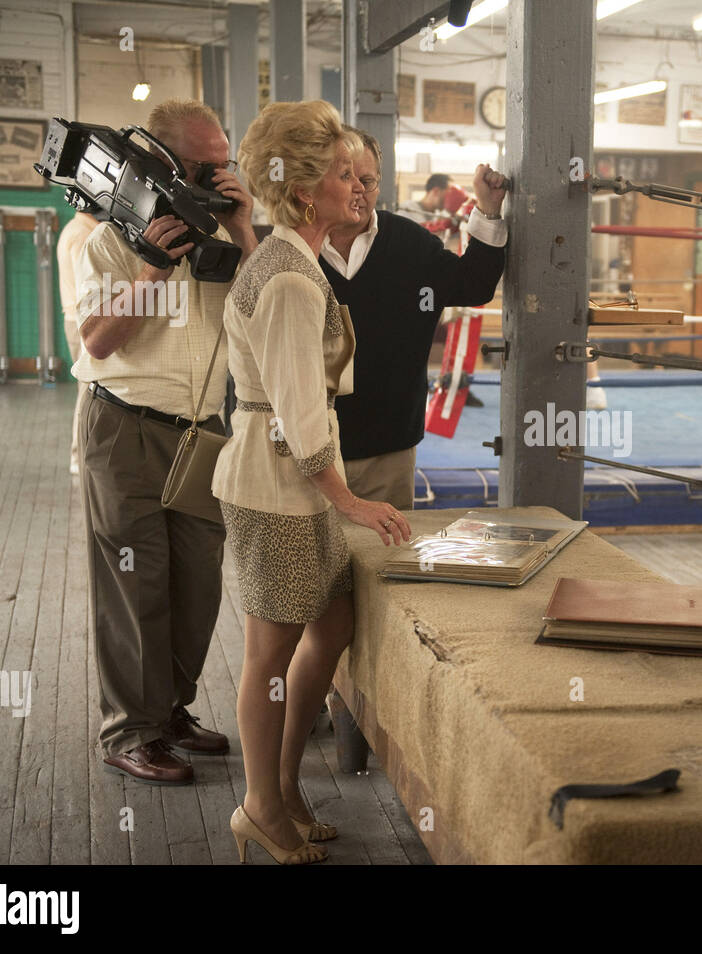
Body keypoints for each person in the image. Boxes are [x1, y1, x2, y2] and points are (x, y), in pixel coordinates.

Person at [215, 101, 412, 865]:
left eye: (362, 174)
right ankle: (260, 806)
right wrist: (352, 500)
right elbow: (301, 421)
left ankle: (286, 786)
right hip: (275, 489)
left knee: (328, 626)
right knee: (269, 653)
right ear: (304, 192)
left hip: (286, 487)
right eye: (342, 174)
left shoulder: (292, 259)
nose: (359, 186)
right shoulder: (293, 280)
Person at [74, 99, 257, 785]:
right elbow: (97, 340)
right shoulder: (107, 241)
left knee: (197, 588)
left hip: (204, 432)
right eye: (206, 167)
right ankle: (130, 730)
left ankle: (170, 711)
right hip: (125, 428)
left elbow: (273, 303)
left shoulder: (226, 244)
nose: (217, 177)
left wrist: (241, 225)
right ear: (164, 161)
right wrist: (151, 271)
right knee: (133, 584)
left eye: (226, 164)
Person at [321, 128, 507, 509]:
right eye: (345, 177)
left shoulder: (410, 243)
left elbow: (472, 285)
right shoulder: (295, 247)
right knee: (306, 564)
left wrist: (487, 210)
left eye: (367, 180)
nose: (358, 189)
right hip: (307, 447)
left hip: (387, 450)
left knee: (380, 563)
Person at [56, 210, 99, 474]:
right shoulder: (84, 234)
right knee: (87, 393)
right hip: (83, 321)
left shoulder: (73, 228)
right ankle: (78, 455)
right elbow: (88, 286)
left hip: (75, 319)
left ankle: (79, 454)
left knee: (86, 391)